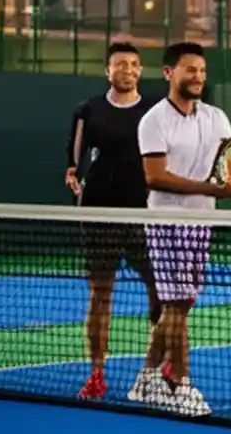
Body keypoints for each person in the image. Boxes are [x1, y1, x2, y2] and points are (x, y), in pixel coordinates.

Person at [136, 41, 231, 417]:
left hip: (203, 223)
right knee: (177, 306)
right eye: (190, 70)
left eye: (201, 70)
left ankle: (147, 377)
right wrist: (212, 189)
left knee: (181, 303)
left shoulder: (217, 118)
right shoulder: (153, 120)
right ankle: (179, 382)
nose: (198, 77)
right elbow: (155, 177)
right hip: (165, 223)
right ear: (169, 73)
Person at [66, 43, 165, 402]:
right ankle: (96, 372)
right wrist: (74, 174)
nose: (128, 69)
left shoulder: (156, 109)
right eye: (120, 64)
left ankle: (156, 367)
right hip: (101, 212)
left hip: (144, 211)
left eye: (135, 64)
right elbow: (74, 156)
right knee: (100, 292)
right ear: (108, 71)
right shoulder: (88, 110)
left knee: (161, 290)